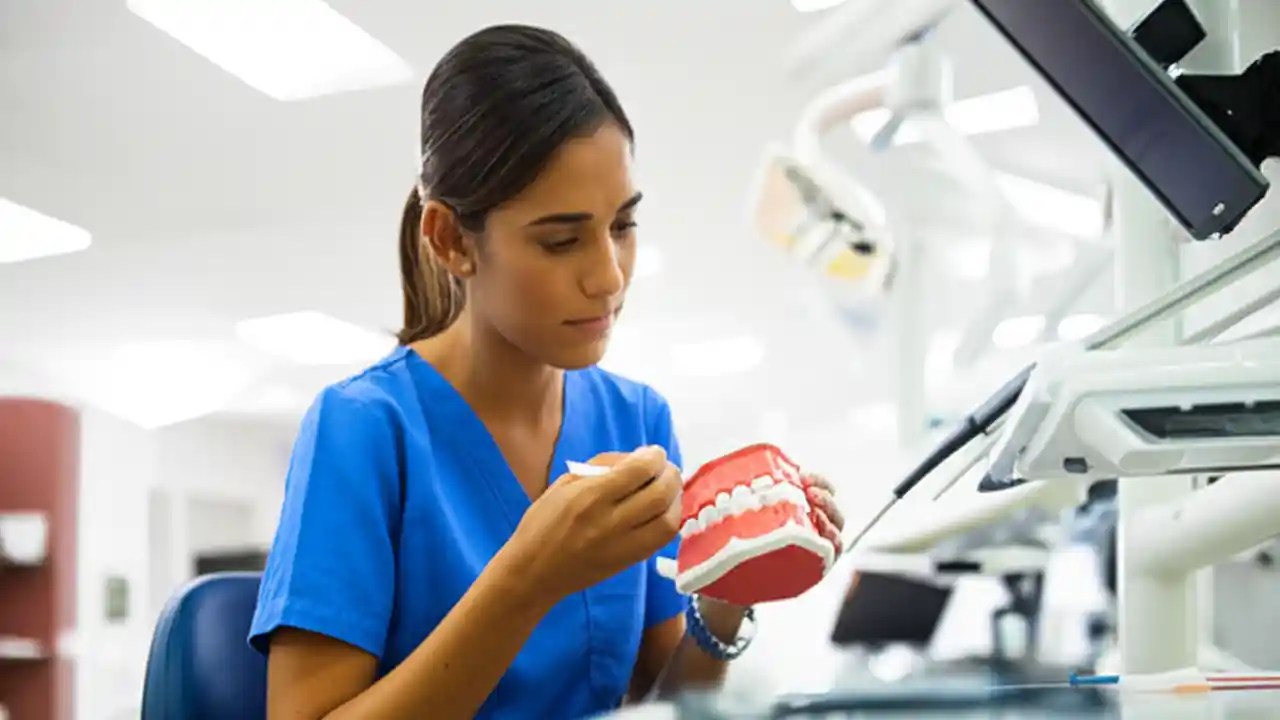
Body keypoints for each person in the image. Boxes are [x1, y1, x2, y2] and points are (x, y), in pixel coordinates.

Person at [247, 23, 846, 720]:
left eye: (622, 227)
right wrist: (528, 577)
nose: (609, 277)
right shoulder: (364, 429)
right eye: (561, 241)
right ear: (450, 240)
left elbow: (668, 701)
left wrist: (727, 588)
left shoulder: (636, 422)